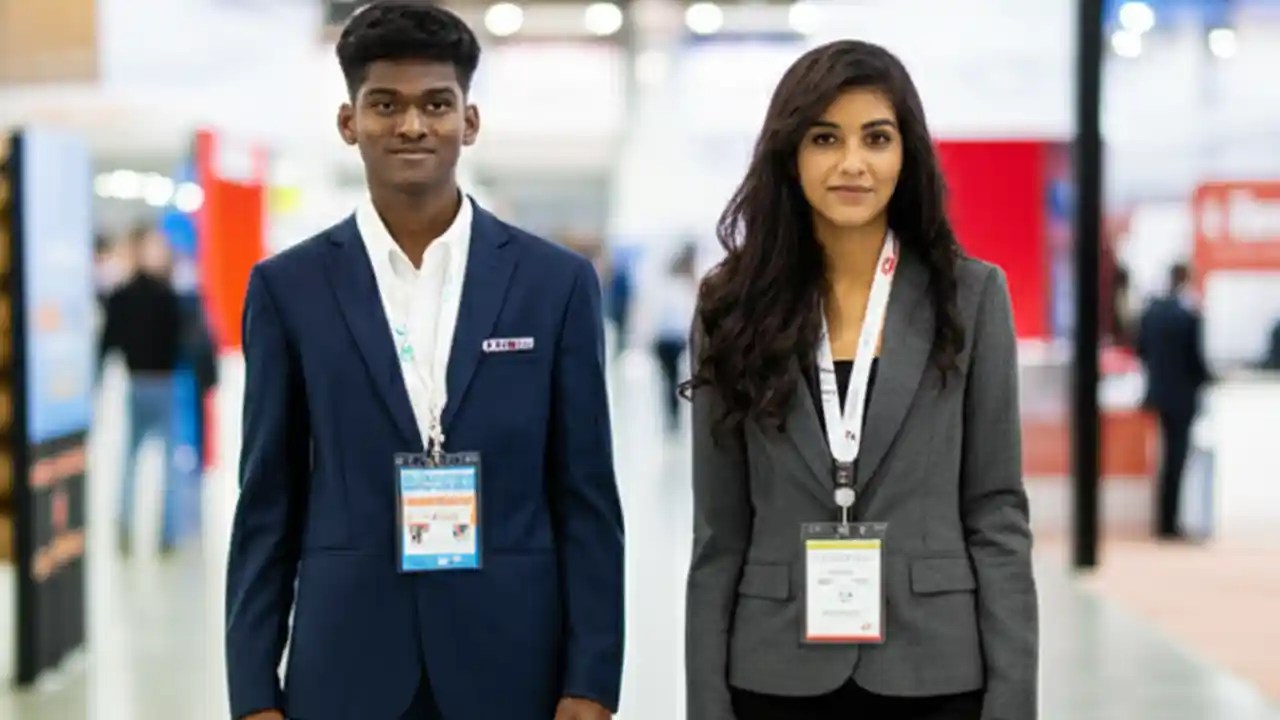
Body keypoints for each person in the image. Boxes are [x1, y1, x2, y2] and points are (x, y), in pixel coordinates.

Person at [224, 3, 624, 719]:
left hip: (513, 663)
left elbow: (586, 499)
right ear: (350, 122)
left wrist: (591, 681)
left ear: (470, 121)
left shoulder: (553, 284)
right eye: (386, 105)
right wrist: (254, 693)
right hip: (346, 665)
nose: (412, 125)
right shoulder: (289, 289)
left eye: (437, 104)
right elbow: (267, 503)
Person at [682, 40, 1037, 720]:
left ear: (907, 155)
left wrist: (1014, 700)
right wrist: (705, 705)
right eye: (824, 138)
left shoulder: (971, 297)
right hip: (774, 670)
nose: (852, 163)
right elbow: (718, 534)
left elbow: (996, 515)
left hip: (935, 670)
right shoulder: (730, 307)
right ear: (791, 155)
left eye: (876, 138)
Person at [99, 224, 183, 555]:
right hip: (160, 382)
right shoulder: (167, 295)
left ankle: (126, 526)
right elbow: (181, 341)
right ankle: (166, 533)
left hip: (140, 382)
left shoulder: (123, 295)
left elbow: (110, 342)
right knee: (166, 463)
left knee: (133, 460)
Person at [1137, 263, 1211, 540]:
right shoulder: (1188, 316)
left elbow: (1141, 350)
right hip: (1182, 398)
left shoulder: (1152, 313)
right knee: (1176, 460)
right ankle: (1169, 524)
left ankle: (1163, 521)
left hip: (1158, 395)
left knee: (1163, 459)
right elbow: (1196, 361)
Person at [652, 243, 697, 434]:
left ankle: (672, 415)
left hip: (666, 338)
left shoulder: (667, 286)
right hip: (673, 338)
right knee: (673, 377)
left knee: (669, 378)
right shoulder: (683, 286)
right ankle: (673, 415)